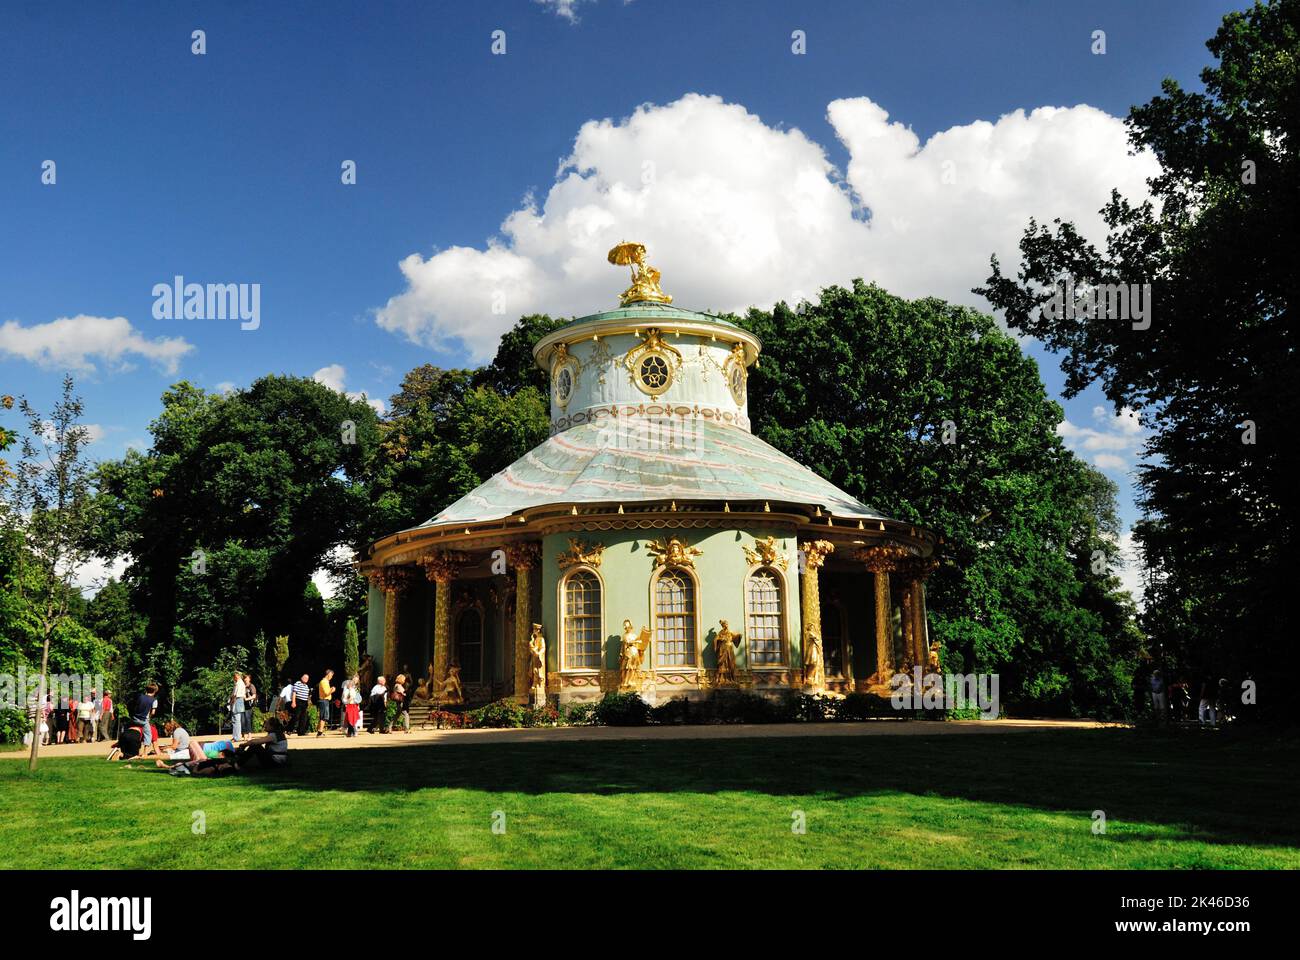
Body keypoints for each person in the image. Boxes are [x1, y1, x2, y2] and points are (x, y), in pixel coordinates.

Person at [131, 683, 160, 751]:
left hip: (134, 718)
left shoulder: (140, 696)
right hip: (143, 720)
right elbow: (153, 712)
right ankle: (145, 752)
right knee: (148, 734)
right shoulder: (154, 700)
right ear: (155, 691)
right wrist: (149, 717)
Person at [316, 669, 335, 737]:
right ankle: (320, 732)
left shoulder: (326, 682)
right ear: (328, 674)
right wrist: (332, 690)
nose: (331, 677)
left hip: (324, 701)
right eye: (331, 675)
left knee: (323, 716)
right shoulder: (324, 682)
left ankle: (320, 731)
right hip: (324, 700)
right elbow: (326, 693)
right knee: (324, 717)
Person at [231, 671, 246, 741]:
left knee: (237, 719)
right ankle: (235, 736)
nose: (234, 677)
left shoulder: (240, 683)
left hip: (238, 700)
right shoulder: (237, 683)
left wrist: (232, 701)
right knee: (234, 719)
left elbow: (236, 694)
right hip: (236, 700)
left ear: (238, 676)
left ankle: (237, 737)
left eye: (235, 675)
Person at [242, 675, 256, 740]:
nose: (245, 679)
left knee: (248, 720)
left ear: (249, 679)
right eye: (245, 678)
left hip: (249, 706)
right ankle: (244, 735)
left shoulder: (251, 686)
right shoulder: (242, 686)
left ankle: (249, 735)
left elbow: (254, 696)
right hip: (242, 705)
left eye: (247, 678)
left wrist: (247, 699)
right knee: (242, 720)